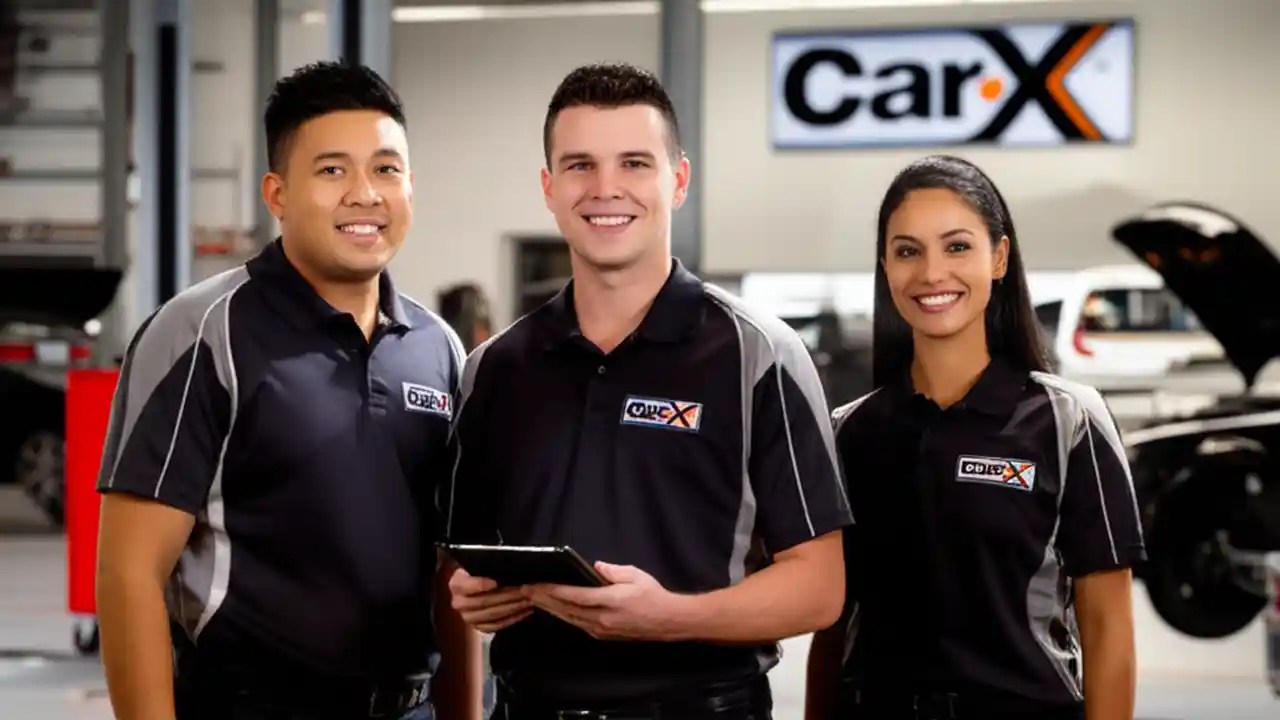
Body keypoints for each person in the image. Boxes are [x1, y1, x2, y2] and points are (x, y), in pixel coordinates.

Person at [443, 62, 852, 719]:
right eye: (579, 165)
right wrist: (477, 594)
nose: (606, 189)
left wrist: (671, 617)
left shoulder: (759, 355)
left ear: (678, 180)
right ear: (548, 187)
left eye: (635, 162)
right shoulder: (494, 368)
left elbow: (820, 587)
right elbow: (464, 560)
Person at [94, 61, 482, 720]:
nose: (365, 193)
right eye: (333, 170)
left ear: (411, 185)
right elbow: (130, 576)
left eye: (387, 169)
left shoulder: (437, 348)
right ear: (277, 194)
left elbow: (452, 569)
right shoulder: (201, 333)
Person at [805, 155, 1143, 720]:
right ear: (886, 267)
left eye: (957, 246)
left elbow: (1109, 630)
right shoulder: (848, 433)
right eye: (908, 251)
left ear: (999, 257)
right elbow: (832, 628)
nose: (932, 273)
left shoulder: (1069, 422)